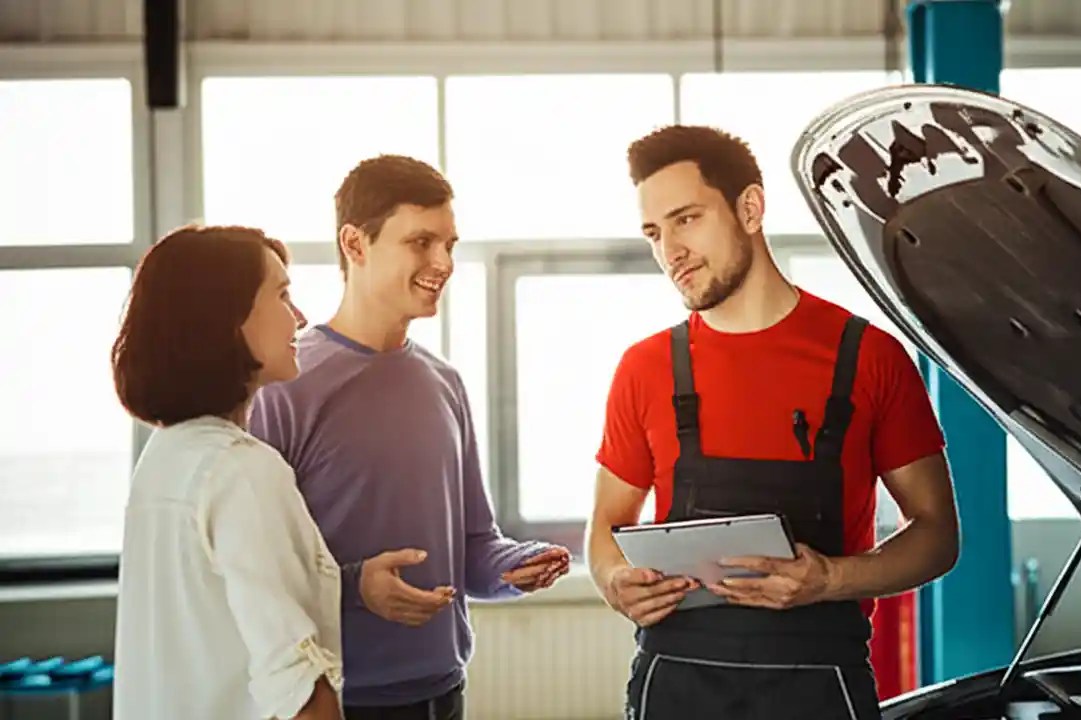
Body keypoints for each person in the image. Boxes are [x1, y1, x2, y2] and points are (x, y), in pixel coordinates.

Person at [585, 125, 962, 719]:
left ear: (751, 208)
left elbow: (939, 535)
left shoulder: (868, 358)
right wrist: (612, 582)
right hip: (675, 683)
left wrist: (831, 579)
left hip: (819, 682)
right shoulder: (644, 368)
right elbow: (606, 526)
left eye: (686, 219)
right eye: (655, 232)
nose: (670, 252)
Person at [249, 154, 571, 720]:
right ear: (355, 244)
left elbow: (474, 549)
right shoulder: (285, 387)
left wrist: (515, 564)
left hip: (444, 694)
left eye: (449, 243)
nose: (443, 262)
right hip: (335, 701)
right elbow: (255, 574)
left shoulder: (445, 382)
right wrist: (356, 588)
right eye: (421, 242)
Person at [111, 225, 341, 720]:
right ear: (226, 318)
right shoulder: (242, 470)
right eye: (282, 295)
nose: (299, 318)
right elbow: (299, 687)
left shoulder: (166, 455)